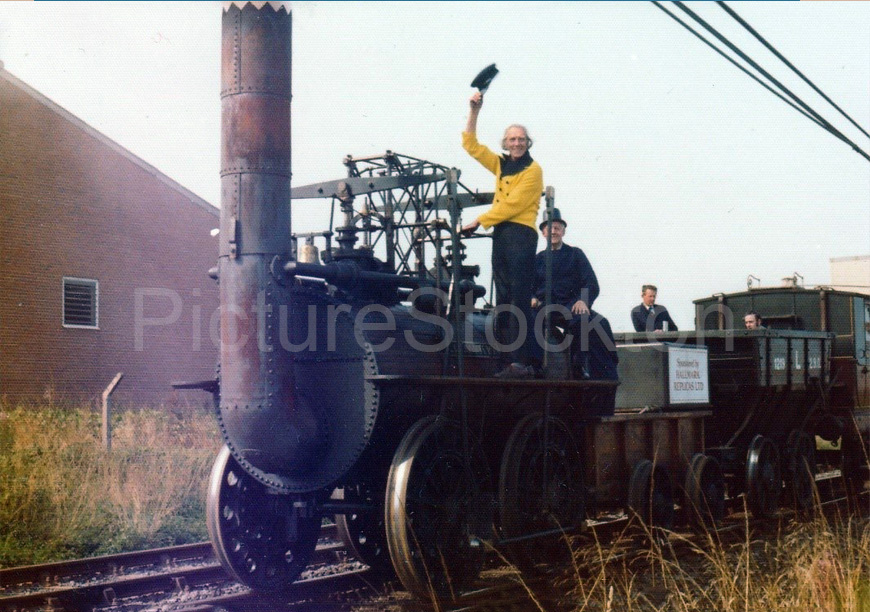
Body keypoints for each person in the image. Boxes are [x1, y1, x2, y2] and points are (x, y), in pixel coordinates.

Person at [461, 90, 543, 379]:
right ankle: (509, 360)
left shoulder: (533, 170)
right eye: (512, 139)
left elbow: (514, 204)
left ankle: (524, 362)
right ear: (506, 144)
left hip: (521, 235)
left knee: (519, 297)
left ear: (527, 142)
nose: (517, 143)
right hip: (501, 234)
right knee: (504, 297)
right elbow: (470, 145)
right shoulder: (500, 164)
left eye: (521, 139)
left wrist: (479, 220)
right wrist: (474, 111)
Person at [531, 209, 618, 384]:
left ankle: (580, 365)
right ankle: (536, 367)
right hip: (544, 306)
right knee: (527, 320)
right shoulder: (538, 259)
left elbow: (591, 283)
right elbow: (529, 285)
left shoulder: (575, 254)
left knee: (587, 321)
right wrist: (532, 296)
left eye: (557, 228)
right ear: (543, 233)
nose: (553, 232)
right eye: (549, 228)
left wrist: (582, 300)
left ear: (563, 231)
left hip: (570, 305)